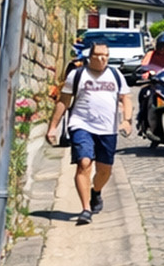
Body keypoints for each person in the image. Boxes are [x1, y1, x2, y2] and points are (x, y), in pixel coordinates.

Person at [45, 42, 134, 226]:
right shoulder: (77, 75)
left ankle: (96, 192)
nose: (103, 59)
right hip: (81, 124)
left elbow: (126, 98)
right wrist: (53, 127)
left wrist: (127, 120)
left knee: (104, 170)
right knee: (84, 163)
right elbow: (63, 102)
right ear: (90, 57)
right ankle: (85, 209)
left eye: (106, 56)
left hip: (108, 129)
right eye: (99, 55)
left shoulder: (115, 75)